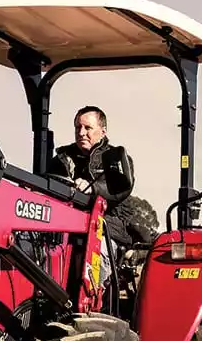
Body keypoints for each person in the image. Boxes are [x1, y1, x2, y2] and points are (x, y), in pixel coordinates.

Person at [49, 106, 157, 247]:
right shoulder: (62, 158)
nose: (81, 133)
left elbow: (120, 189)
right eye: (78, 127)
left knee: (99, 250)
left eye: (88, 128)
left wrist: (92, 188)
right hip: (65, 224)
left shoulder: (116, 158)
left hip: (106, 226)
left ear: (103, 131)